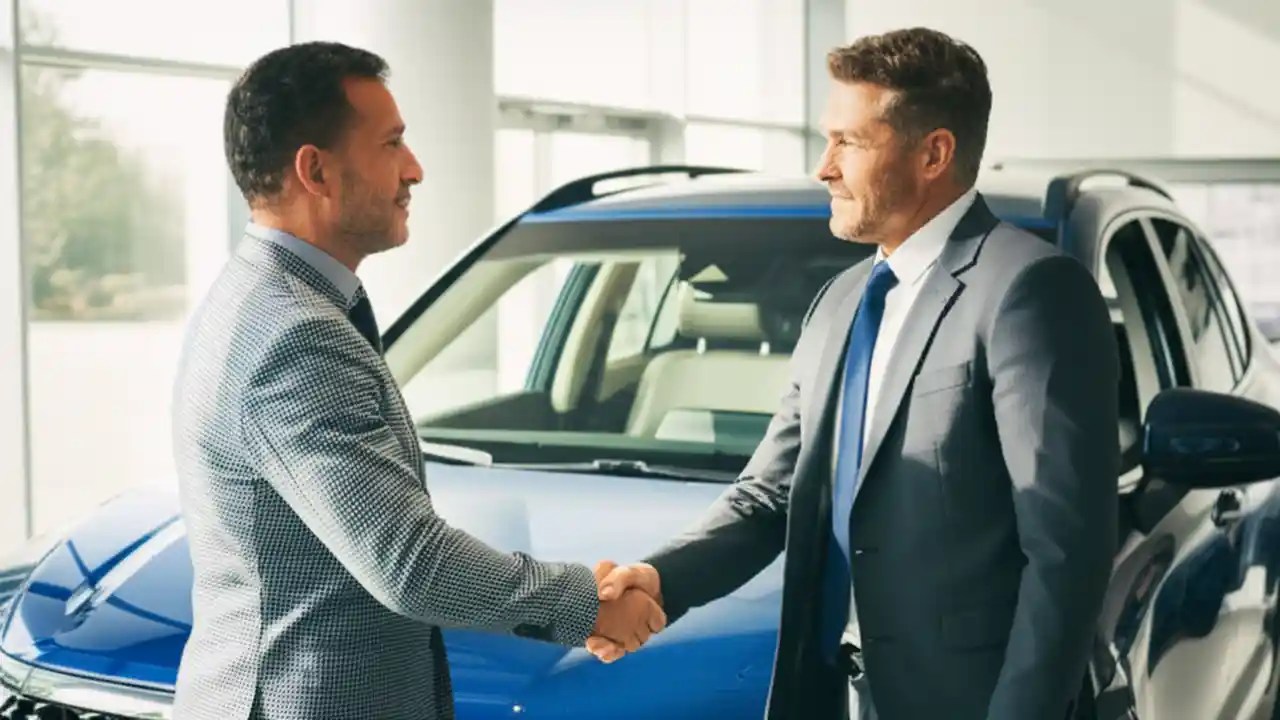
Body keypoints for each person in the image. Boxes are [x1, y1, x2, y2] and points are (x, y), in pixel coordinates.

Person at [590, 27, 1119, 720]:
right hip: (832, 694)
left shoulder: (1030, 289)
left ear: (934, 153)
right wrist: (661, 579)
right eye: (826, 138)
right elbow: (771, 496)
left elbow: (1064, 552)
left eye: (850, 142)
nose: (824, 167)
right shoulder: (841, 301)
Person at [171, 42, 663, 720]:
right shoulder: (294, 333)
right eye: (392, 144)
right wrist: (583, 603)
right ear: (315, 170)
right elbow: (409, 563)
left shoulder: (254, 296)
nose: (415, 169)